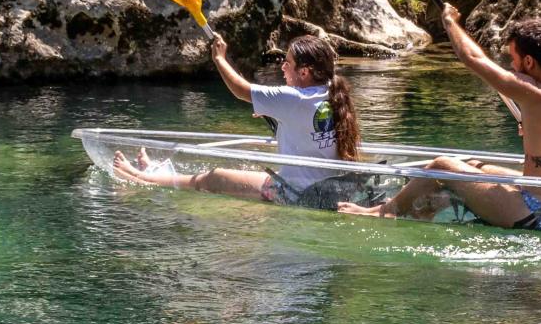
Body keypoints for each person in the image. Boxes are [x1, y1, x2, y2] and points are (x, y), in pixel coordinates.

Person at [338, 7, 541, 232]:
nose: (512, 67)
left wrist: (450, 21)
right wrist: (539, 132)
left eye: (513, 60)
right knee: (474, 165)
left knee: (442, 165)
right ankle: (424, 211)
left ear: (529, 61)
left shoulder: (537, 94)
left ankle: (385, 212)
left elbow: (472, 58)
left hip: (538, 215)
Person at [112, 34, 367, 209]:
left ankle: (141, 178)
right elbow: (308, 129)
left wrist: (219, 59)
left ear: (304, 71)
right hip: (326, 190)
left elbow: (241, 90)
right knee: (227, 177)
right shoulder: (334, 93)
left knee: (211, 179)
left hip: (296, 193)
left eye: (287, 63)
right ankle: (159, 172)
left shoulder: (293, 97)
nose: (282, 68)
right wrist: (273, 114)